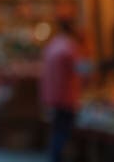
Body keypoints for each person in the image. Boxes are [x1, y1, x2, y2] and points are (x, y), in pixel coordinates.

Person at [40, 18, 80, 162]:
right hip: (65, 96)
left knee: (56, 129)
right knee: (63, 131)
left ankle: (55, 156)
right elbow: (79, 69)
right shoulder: (69, 47)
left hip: (52, 96)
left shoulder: (52, 45)